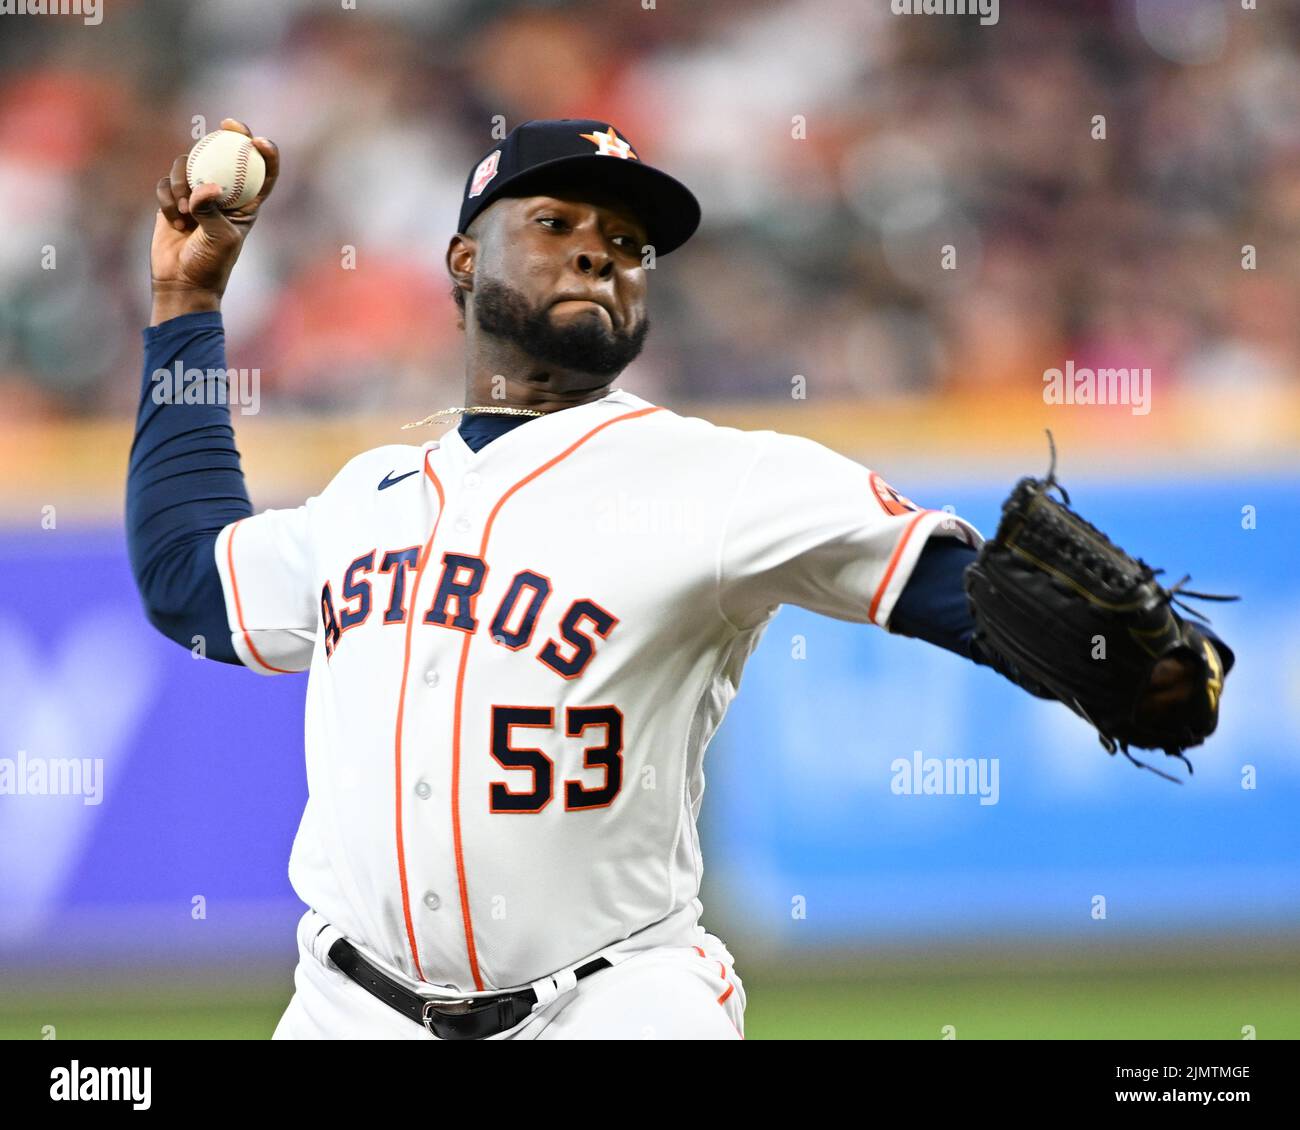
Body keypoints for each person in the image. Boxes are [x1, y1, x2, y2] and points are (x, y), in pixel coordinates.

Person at [127, 118, 1231, 1040]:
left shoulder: (720, 478)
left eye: (625, 241)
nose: (599, 252)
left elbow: (971, 597)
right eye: (556, 224)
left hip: (614, 1003)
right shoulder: (364, 498)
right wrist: (186, 308)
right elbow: (187, 579)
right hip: (344, 1005)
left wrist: (1130, 667)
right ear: (464, 262)